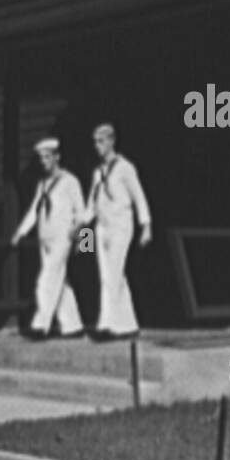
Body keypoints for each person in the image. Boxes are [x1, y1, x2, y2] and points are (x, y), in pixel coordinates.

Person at [9, 137, 85, 340]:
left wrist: (80, 237)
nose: (44, 161)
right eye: (41, 158)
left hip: (63, 238)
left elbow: (81, 212)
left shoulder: (70, 182)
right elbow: (35, 211)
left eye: (47, 157)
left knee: (47, 278)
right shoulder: (43, 184)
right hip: (46, 240)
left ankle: (40, 325)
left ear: (57, 157)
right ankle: (73, 325)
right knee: (60, 281)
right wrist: (21, 232)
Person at [81, 123, 151, 341]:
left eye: (101, 141)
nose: (97, 146)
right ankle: (127, 325)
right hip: (101, 227)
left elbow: (138, 196)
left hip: (121, 226)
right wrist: (81, 229)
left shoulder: (124, 168)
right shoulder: (97, 172)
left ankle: (106, 324)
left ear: (111, 141)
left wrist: (146, 225)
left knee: (113, 272)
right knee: (110, 275)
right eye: (95, 142)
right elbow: (91, 205)